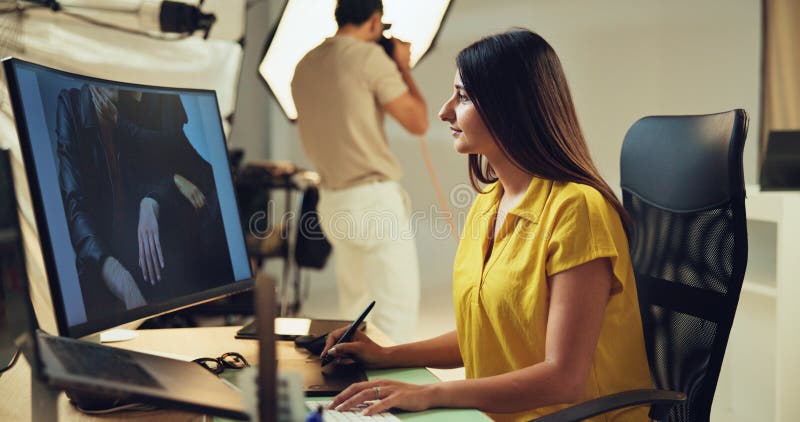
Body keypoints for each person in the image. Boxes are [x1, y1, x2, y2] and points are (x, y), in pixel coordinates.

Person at [318, 29, 653, 421]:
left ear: (509, 106)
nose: (444, 112)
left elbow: (564, 379)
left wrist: (429, 394)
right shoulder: (487, 204)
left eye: (462, 97)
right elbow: (484, 336)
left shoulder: (578, 210)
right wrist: (385, 355)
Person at [291, 0, 428, 342]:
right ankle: (392, 394)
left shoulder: (304, 64)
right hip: (373, 201)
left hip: (332, 202)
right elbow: (418, 121)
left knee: (354, 316)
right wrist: (402, 67)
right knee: (395, 316)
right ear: (375, 21)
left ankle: (355, 392)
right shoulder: (369, 59)